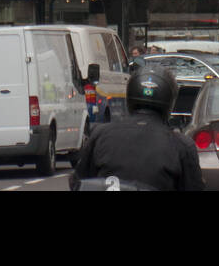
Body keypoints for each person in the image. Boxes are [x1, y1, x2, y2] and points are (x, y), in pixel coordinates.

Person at [71, 66, 204, 192]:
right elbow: (194, 186)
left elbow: (78, 182)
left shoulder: (101, 135)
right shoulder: (181, 145)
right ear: (170, 103)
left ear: (129, 97)